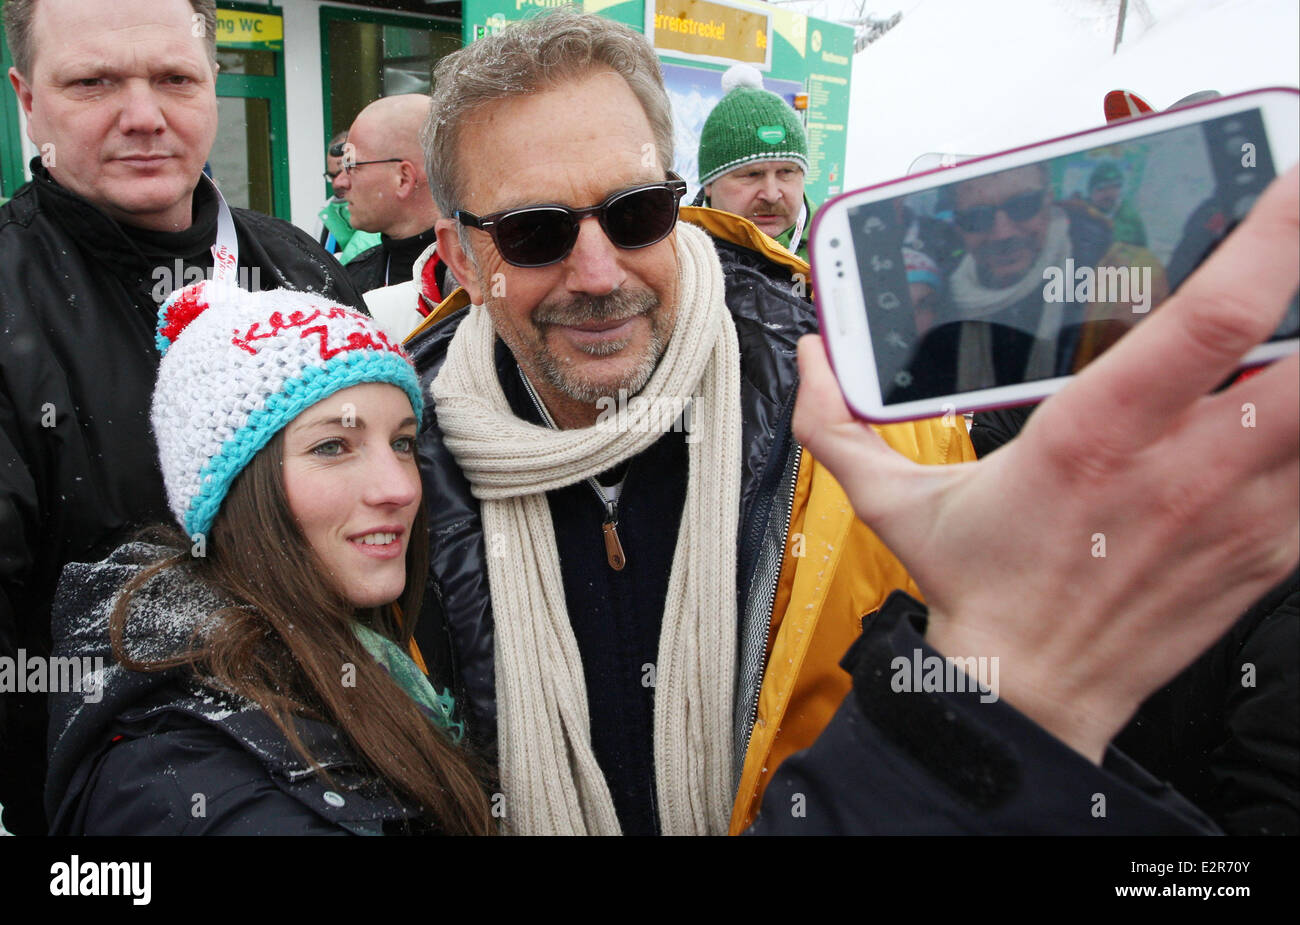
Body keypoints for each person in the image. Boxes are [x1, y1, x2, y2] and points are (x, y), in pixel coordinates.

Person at [413, 9, 1298, 835]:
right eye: (536, 232)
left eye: (635, 213)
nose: (600, 271)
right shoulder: (373, 479)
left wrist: (1010, 691)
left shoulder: (865, 423)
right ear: (456, 253)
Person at [0, 0, 367, 835]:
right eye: (93, 82)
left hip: (349, 783)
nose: (144, 117)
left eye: (175, 79)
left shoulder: (303, 270)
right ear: (28, 99)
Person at [44, 280, 493, 835]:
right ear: (235, 489)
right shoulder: (193, 774)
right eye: (333, 446)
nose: (398, 488)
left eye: (402, 443)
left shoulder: (371, 649)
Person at [896, 162, 1169, 401]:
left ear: (1048, 203)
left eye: (1023, 206)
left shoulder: (1121, 275)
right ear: (958, 227)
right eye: (977, 219)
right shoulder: (946, 296)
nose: (1002, 233)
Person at [693, 63, 815, 260]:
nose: (771, 195)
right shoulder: (678, 261)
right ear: (709, 183)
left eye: (786, 172)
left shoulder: (839, 253)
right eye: (752, 174)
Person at [334, 95, 444, 299]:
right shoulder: (351, 282)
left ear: (403, 178)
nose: (339, 182)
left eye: (351, 166)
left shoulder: (476, 285)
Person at [316, 130, 381, 265]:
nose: (337, 183)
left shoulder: (389, 216)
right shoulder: (326, 215)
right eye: (332, 176)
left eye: (345, 171)